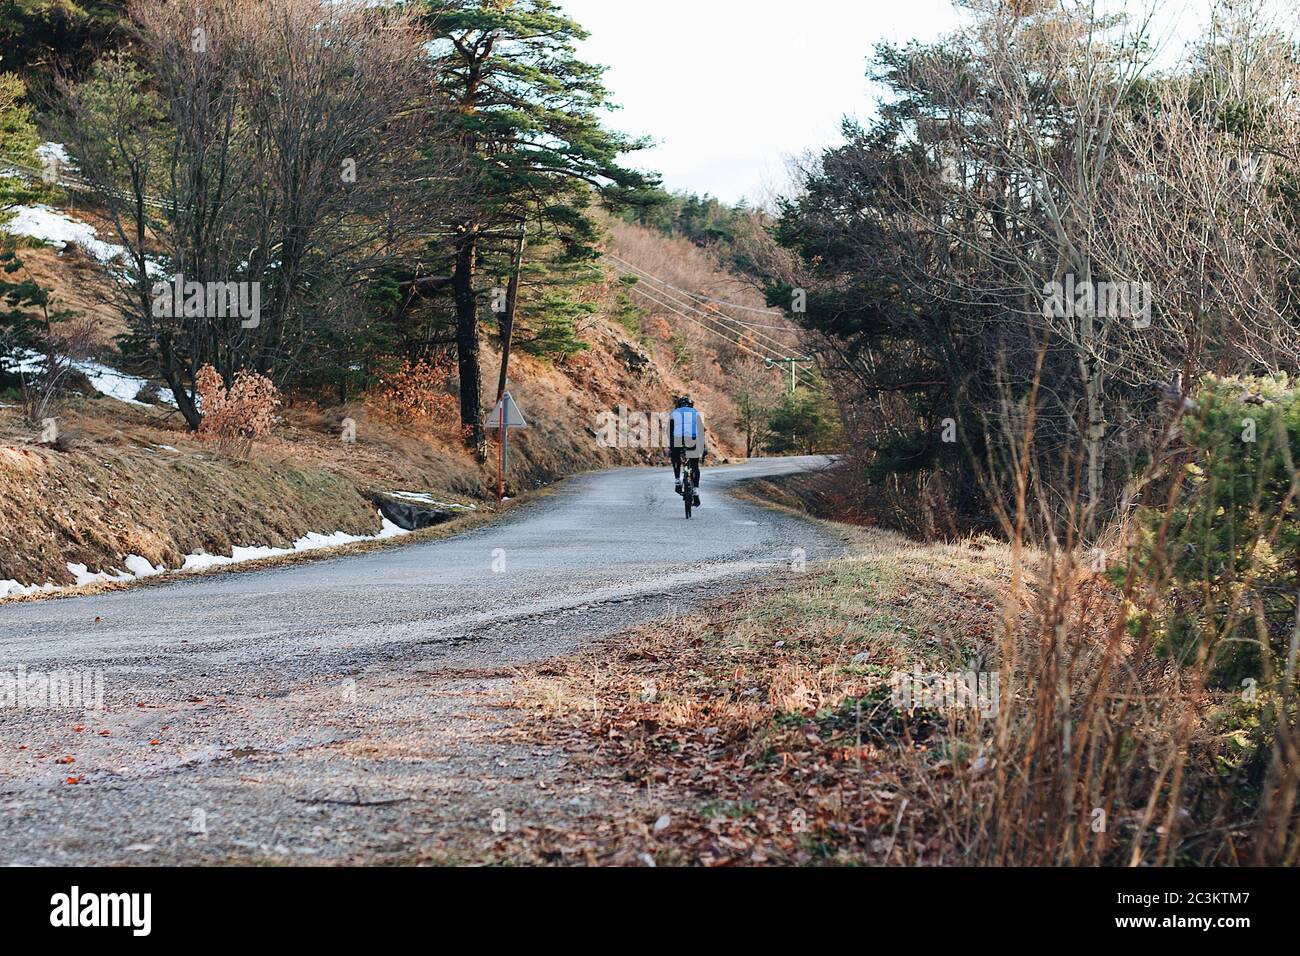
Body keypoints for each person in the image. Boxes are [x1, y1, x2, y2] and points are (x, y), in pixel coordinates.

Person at [668, 395, 705, 507]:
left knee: (675, 458)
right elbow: (701, 432)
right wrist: (703, 448)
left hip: (677, 439)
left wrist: (671, 447)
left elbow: (669, 431)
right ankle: (696, 490)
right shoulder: (696, 412)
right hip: (692, 439)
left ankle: (677, 480)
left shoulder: (674, 413)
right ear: (691, 405)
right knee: (694, 466)